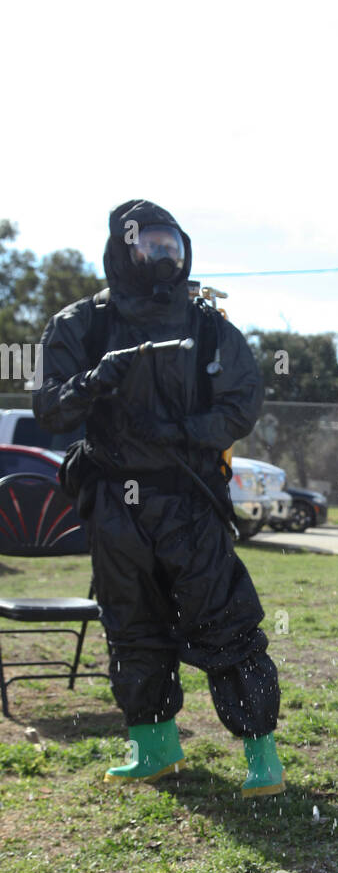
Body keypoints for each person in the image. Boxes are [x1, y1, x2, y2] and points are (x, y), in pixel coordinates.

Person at [33, 199, 284, 797]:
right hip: (116, 502)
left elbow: (241, 403)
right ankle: (154, 748)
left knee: (227, 619)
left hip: (188, 498)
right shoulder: (80, 325)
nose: (163, 256)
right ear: (123, 251)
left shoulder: (207, 325)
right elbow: (47, 407)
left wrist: (185, 432)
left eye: (171, 244)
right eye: (149, 246)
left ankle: (261, 756)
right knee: (131, 624)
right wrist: (96, 380)